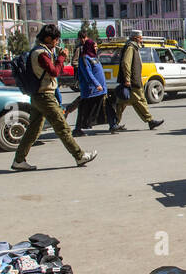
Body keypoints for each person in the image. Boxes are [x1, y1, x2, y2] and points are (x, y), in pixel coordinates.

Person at [12, 24, 100, 171]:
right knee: (62, 126)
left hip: (38, 96)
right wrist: (61, 57)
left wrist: (57, 55)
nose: (57, 42)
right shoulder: (41, 53)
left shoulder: (42, 50)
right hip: (45, 96)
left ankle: (19, 160)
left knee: (33, 130)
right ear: (48, 38)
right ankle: (79, 156)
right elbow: (54, 72)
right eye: (56, 39)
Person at [110, 29, 164, 135]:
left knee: (125, 102)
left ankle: (114, 123)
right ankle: (150, 121)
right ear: (135, 38)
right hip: (132, 81)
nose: (141, 39)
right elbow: (126, 63)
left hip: (134, 80)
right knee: (138, 101)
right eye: (140, 38)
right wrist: (127, 79)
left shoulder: (134, 47)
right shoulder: (131, 47)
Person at [69, 33, 115, 133]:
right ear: (89, 47)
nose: (96, 48)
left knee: (107, 106)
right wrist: (96, 84)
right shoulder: (84, 58)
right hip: (91, 90)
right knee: (84, 109)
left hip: (100, 89)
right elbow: (88, 73)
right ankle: (77, 129)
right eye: (94, 46)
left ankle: (113, 125)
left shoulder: (93, 57)